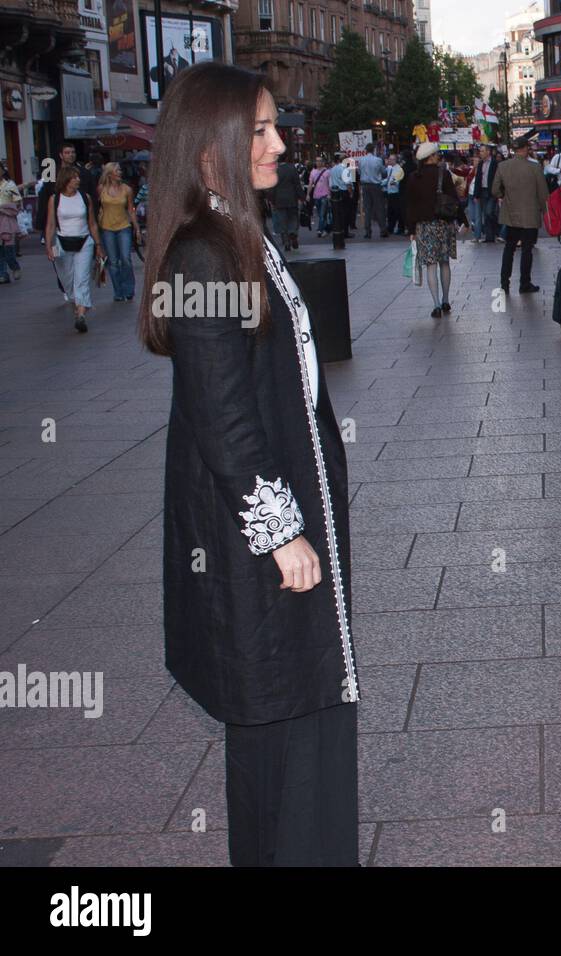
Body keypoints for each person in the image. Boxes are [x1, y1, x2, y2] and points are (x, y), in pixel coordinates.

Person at [138, 62, 359, 867]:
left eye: (273, 128)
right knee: (281, 711)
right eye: (258, 131)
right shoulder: (202, 256)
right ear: (210, 151)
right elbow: (221, 413)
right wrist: (281, 533)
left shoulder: (239, 235)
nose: (277, 144)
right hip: (255, 537)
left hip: (286, 517)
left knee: (301, 702)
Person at [405, 141, 463, 316]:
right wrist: (463, 221)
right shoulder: (443, 174)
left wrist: (411, 230)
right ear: (430, 156)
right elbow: (454, 199)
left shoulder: (414, 177)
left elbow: (410, 206)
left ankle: (436, 304)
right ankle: (446, 300)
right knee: (444, 263)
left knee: (430, 265)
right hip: (443, 224)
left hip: (424, 226)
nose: (439, 156)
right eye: (437, 154)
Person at [45, 165, 101, 332]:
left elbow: (92, 223)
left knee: (82, 278)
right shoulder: (55, 199)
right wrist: (48, 245)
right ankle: (77, 303)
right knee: (67, 279)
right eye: (75, 177)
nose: (78, 180)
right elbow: (50, 224)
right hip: (62, 242)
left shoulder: (86, 198)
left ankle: (81, 314)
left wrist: (98, 244)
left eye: (78, 177)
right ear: (66, 179)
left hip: (84, 241)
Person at [491, 135, 549, 294]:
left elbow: (495, 190)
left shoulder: (503, 166)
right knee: (527, 250)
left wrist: (504, 195)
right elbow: (543, 193)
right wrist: (546, 212)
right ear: (525, 149)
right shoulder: (535, 167)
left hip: (510, 215)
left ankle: (504, 283)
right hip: (530, 215)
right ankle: (525, 283)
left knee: (509, 249)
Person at [96, 162, 140, 301]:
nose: (120, 172)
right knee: (113, 262)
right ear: (110, 174)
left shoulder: (127, 189)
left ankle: (129, 290)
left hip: (123, 227)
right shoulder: (101, 189)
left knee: (126, 259)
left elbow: (131, 209)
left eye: (120, 170)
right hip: (107, 228)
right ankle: (118, 291)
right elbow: (99, 208)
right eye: (117, 170)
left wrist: (137, 227)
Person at [356, 142, 387, 239]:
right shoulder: (378, 160)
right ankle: (383, 230)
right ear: (374, 149)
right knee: (379, 208)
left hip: (365, 185)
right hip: (376, 185)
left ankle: (368, 232)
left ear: (366, 150)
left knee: (367, 209)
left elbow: (359, 172)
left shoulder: (361, 160)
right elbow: (384, 172)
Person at [471, 144, 501, 243]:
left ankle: (498, 230)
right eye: (480, 151)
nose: (481, 153)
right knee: (486, 214)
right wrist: (476, 194)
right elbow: (478, 180)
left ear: (488, 152)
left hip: (492, 191)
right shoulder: (480, 164)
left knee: (489, 212)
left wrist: (499, 192)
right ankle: (489, 237)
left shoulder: (495, 163)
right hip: (482, 191)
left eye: (482, 151)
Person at [0, 162, 22, 283]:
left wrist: (6, 208)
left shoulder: (10, 185)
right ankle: (2, 274)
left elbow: (17, 202)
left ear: (3, 171)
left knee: (8, 248)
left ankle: (15, 267)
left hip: (7, 220)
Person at [271, 160, 300, 251]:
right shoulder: (292, 169)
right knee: (293, 217)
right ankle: (293, 232)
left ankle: (286, 241)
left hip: (279, 199)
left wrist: (272, 200)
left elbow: (272, 186)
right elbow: (297, 184)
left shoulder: (275, 170)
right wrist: (301, 197)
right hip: (292, 198)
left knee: (282, 220)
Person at [308, 156, 332, 237]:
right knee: (321, 214)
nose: (318, 162)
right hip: (316, 196)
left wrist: (329, 194)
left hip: (325, 195)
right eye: (317, 161)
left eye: (320, 161)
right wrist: (308, 194)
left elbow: (330, 184)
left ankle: (320, 230)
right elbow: (310, 184)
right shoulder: (313, 172)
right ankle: (325, 229)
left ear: (323, 162)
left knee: (322, 214)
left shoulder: (327, 172)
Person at [327, 153, 350, 238]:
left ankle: (338, 230)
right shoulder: (344, 169)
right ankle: (345, 232)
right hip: (343, 192)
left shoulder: (332, 169)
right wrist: (350, 193)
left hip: (335, 193)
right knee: (345, 213)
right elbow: (348, 183)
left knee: (337, 213)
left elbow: (330, 183)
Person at [383, 153, 404, 235]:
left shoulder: (398, 169)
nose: (390, 160)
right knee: (390, 211)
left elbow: (394, 182)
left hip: (395, 193)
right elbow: (388, 179)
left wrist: (388, 183)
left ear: (396, 160)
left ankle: (400, 228)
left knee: (397, 211)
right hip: (390, 192)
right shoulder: (389, 168)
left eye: (392, 159)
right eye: (390, 159)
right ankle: (390, 227)